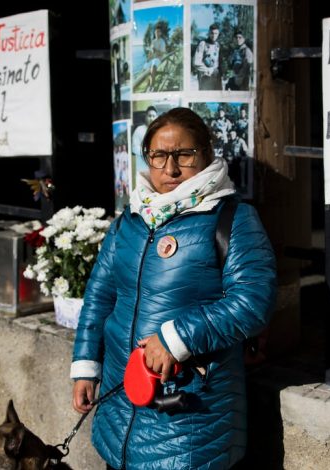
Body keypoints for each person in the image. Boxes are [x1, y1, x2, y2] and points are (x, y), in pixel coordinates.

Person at [71, 107, 277, 469]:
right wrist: (86, 367)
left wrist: (176, 338)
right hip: (120, 407)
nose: (171, 169)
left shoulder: (233, 218)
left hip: (189, 415)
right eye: (159, 156)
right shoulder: (130, 221)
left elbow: (253, 301)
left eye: (184, 155)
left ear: (207, 155)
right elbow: (99, 297)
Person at [193, 23, 222, 90]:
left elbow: (217, 62)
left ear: (218, 34)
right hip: (205, 75)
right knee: (205, 97)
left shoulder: (217, 45)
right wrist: (207, 70)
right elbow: (196, 62)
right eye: (212, 33)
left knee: (216, 97)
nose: (214, 35)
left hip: (216, 75)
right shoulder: (203, 44)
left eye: (216, 33)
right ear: (209, 33)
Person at [146, 25, 167, 92]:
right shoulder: (153, 41)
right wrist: (148, 59)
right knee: (145, 68)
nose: (156, 33)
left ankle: (152, 87)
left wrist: (155, 50)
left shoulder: (162, 42)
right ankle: (147, 85)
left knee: (153, 67)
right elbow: (150, 52)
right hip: (152, 58)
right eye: (155, 32)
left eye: (158, 32)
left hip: (158, 58)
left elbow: (162, 53)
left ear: (160, 33)